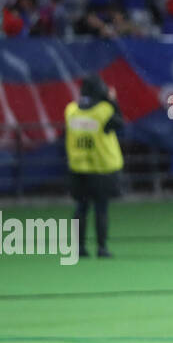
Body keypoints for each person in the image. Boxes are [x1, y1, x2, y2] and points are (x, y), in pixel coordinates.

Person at [64, 74, 124, 258]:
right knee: (101, 208)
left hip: (79, 167)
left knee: (81, 208)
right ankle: (102, 247)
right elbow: (119, 122)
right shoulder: (104, 110)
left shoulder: (71, 110)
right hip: (101, 168)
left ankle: (79, 248)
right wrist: (112, 100)